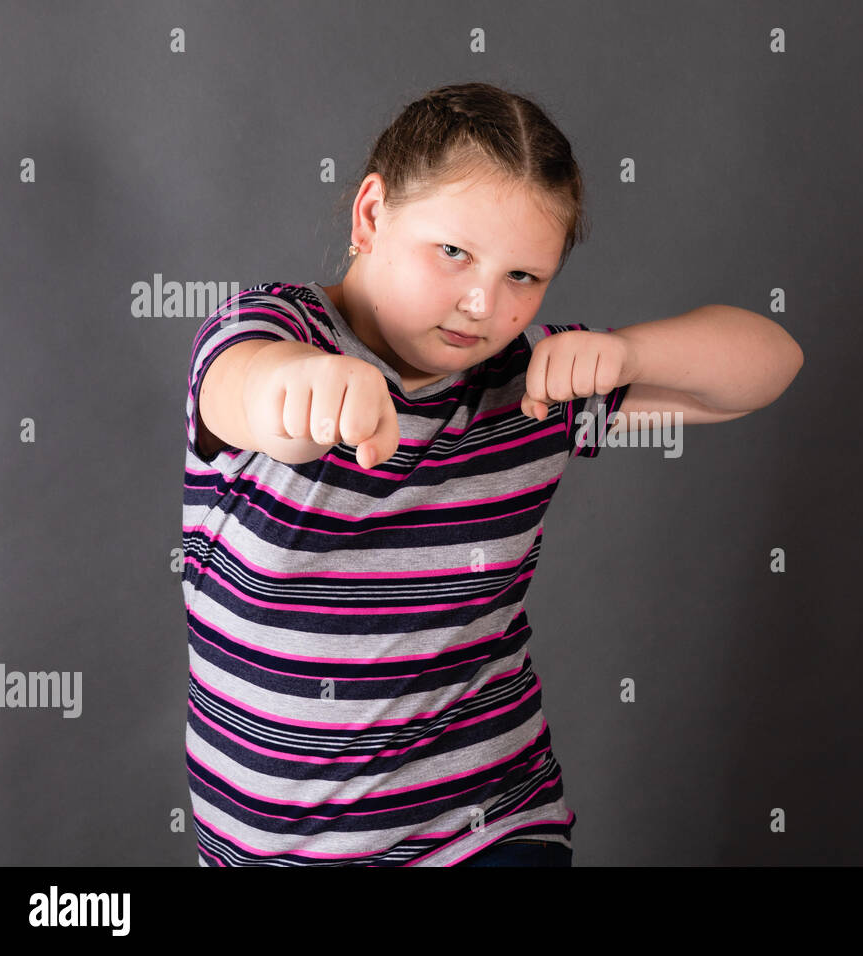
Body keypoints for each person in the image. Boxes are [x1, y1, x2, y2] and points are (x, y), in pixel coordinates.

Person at [182, 82, 803, 866]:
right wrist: (297, 388)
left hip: (486, 829)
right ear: (371, 215)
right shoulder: (271, 329)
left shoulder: (533, 381)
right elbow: (240, 389)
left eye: (523, 277)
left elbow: (772, 365)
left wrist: (635, 353)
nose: (481, 303)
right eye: (454, 253)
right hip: (261, 850)